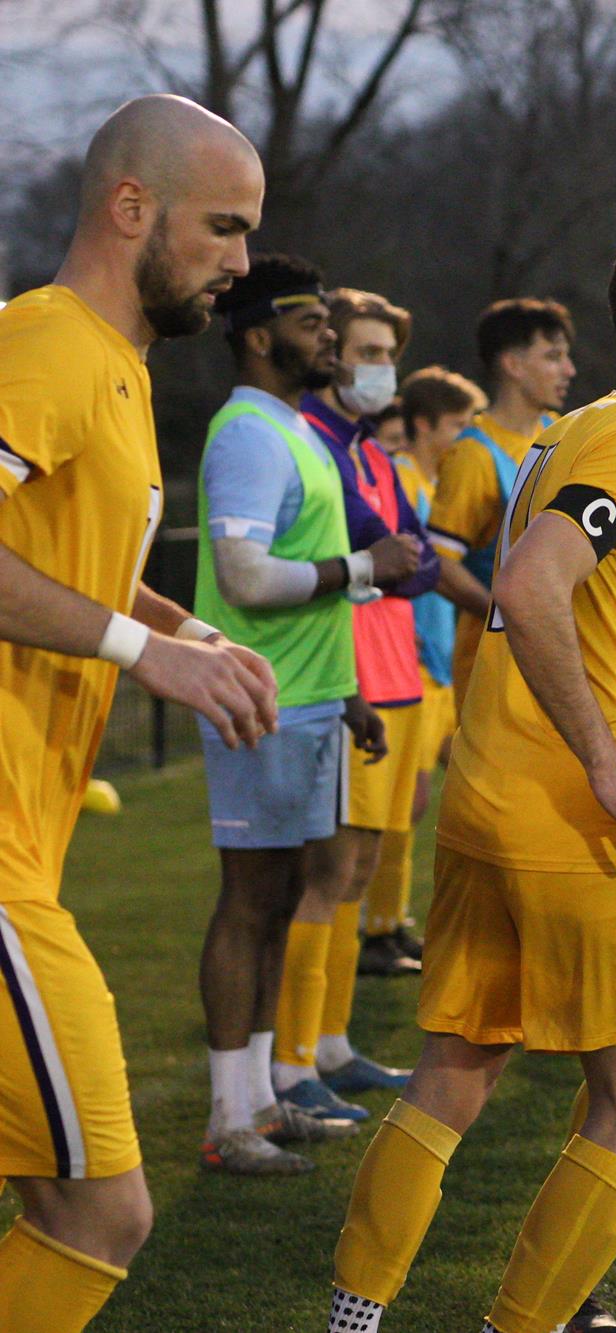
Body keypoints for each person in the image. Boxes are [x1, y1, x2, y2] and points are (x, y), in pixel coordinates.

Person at [325, 215, 616, 1333]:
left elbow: (571, 601)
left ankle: (353, 1317)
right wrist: (613, 763)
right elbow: (527, 588)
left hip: (489, 788)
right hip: (577, 814)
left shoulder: (575, 432)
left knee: (455, 1071)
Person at [0, 92, 278, 1333]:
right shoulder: (47, 343)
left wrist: (179, 629)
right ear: (130, 207)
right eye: (223, 228)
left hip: (29, 850)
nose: (242, 263)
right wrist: (137, 652)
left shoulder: (111, 368)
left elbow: (59, 556)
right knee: (99, 1209)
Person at [194, 254, 420, 1175]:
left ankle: (260, 1098)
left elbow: (300, 571)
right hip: (260, 704)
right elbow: (246, 578)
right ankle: (228, 1118)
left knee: (280, 900)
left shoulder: (286, 427)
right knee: (250, 903)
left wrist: (350, 695)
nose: (326, 334)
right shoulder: (249, 432)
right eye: (308, 321)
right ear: (256, 337)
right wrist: (365, 570)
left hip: (308, 702)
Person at [277, 290, 441, 1119]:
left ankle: (330, 1043)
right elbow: (389, 552)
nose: (379, 366)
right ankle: (290, 1059)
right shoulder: (311, 439)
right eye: (366, 349)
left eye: (388, 352)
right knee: (325, 871)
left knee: (359, 869)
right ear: (331, 350)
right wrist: (388, 557)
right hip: (341, 674)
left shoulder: (371, 447)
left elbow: (419, 561)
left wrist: (391, 557)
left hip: (391, 674)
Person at [362, 366, 488, 976]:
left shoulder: (441, 483)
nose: (467, 435)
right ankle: (376, 927)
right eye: (459, 424)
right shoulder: (403, 480)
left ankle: (391, 923)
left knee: (423, 799)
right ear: (423, 426)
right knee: (402, 801)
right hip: (409, 660)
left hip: (438, 665)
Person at [426, 298, 576, 712]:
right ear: (512, 364)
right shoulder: (473, 455)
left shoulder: (560, 434)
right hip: (492, 669)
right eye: (553, 357)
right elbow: (440, 564)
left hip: (557, 655)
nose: (569, 370)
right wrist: (509, 608)